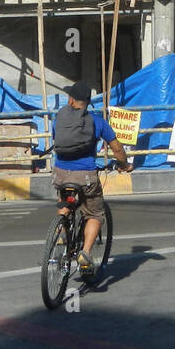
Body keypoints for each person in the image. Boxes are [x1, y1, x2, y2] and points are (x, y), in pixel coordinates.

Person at [52, 81, 132, 275]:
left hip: (60, 174)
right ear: (87, 102)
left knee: (66, 203)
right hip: (86, 177)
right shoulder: (98, 122)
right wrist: (124, 164)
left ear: (70, 100)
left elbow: (56, 141)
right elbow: (117, 148)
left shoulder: (58, 119)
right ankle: (85, 254)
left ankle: (61, 230)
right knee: (95, 214)